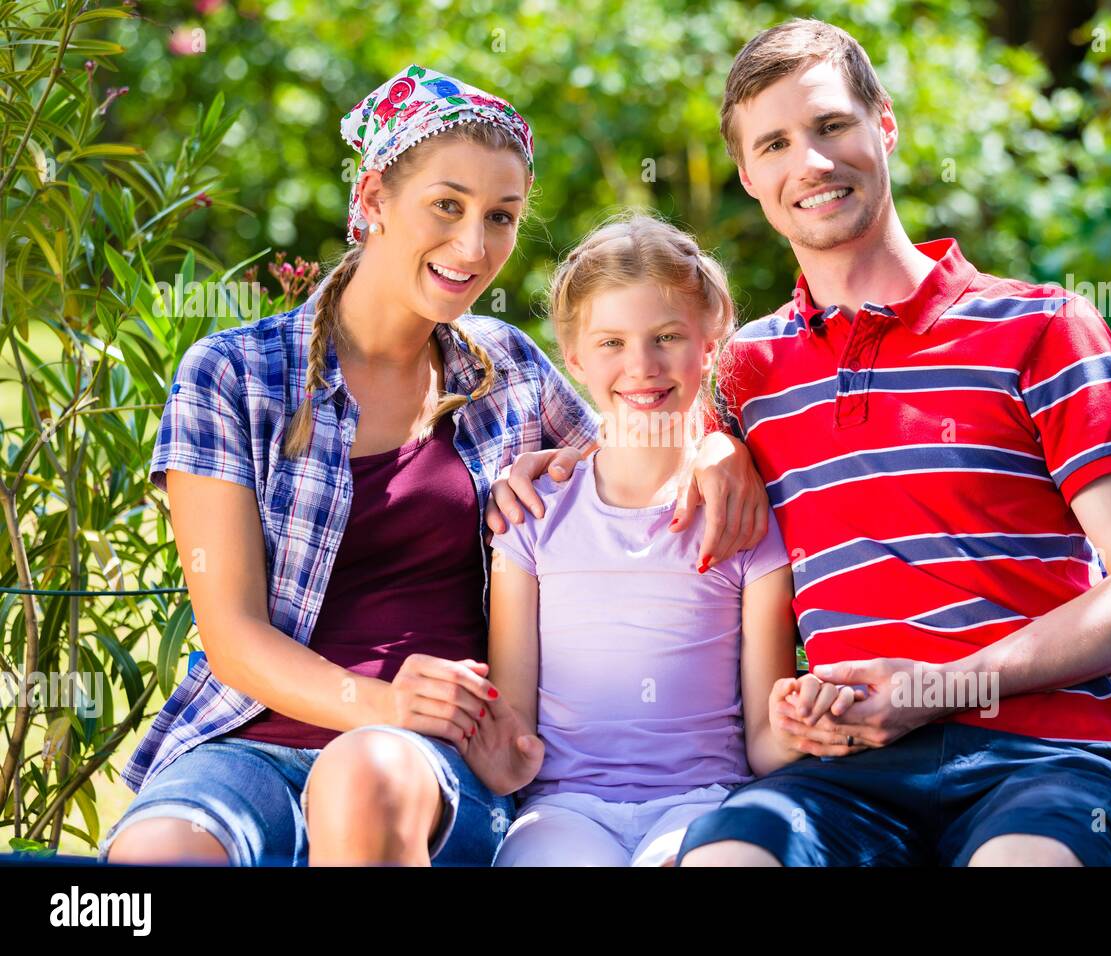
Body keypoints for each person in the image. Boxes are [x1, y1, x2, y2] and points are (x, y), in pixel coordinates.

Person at [99, 65, 766, 867]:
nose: (474, 246)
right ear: (375, 200)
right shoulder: (232, 375)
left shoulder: (507, 369)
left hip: (433, 766)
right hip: (250, 743)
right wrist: (384, 703)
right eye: (446, 207)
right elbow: (234, 637)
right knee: (149, 861)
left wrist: (716, 444)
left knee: (364, 772)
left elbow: (633, 446)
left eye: (501, 216)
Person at [673, 19, 1111, 867]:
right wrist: (706, 440)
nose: (809, 162)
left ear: (884, 125)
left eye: (831, 125)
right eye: (775, 143)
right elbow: (620, 436)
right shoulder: (744, 372)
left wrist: (937, 689)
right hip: (847, 777)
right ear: (749, 177)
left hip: (1051, 759)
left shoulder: (1040, 327)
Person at [487, 215, 811, 867]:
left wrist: (809, 723)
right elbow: (512, 734)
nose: (642, 366)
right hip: (564, 806)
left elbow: (764, 742)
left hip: (706, 803)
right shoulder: (533, 517)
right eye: (612, 342)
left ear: (710, 346)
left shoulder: (744, 519)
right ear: (574, 356)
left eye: (668, 337)